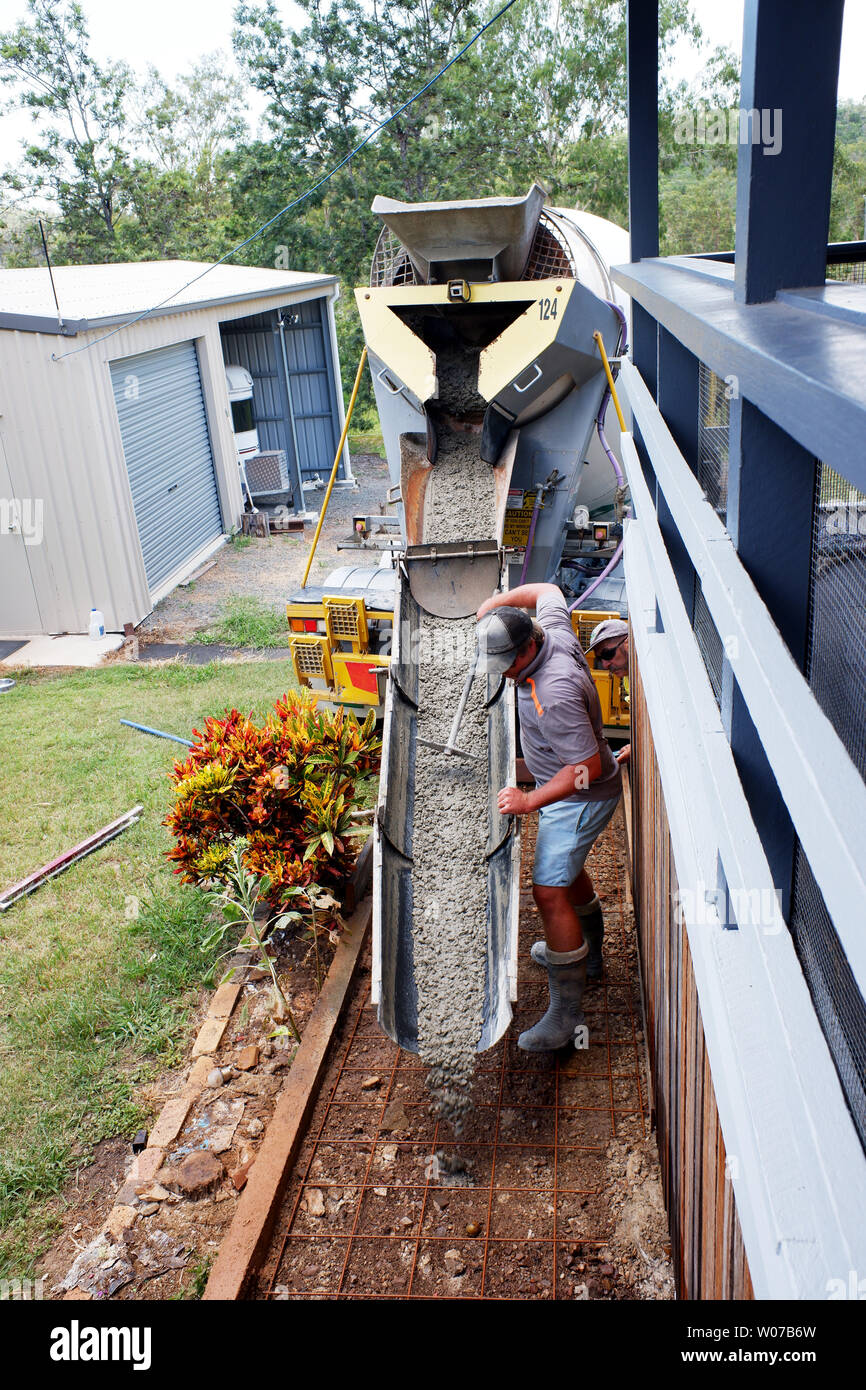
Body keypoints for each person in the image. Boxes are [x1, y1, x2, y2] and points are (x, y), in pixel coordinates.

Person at [475, 584, 627, 1051]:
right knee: (568, 870)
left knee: (548, 890)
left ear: (527, 650)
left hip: (580, 797)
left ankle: (566, 1016)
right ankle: (591, 957)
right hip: (568, 792)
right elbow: (549, 589)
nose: (502, 676)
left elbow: (589, 769)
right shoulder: (552, 628)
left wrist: (530, 801)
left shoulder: (554, 691)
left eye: (507, 666)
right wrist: (496, 602)